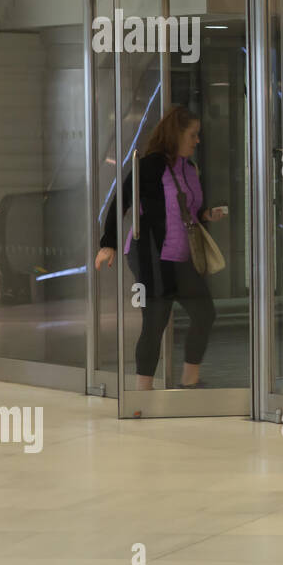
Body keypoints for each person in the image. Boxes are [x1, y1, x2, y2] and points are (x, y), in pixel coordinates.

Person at [94, 105, 225, 390]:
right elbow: (122, 201)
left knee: (205, 313)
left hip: (182, 256)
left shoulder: (190, 168)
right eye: (193, 135)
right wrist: (108, 244)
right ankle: (143, 389)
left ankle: (189, 380)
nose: (197, 141)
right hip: (152, 254)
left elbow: (189, 208)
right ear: (176, 134)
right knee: (155, 320)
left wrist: (206, 214)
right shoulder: (151, 165)